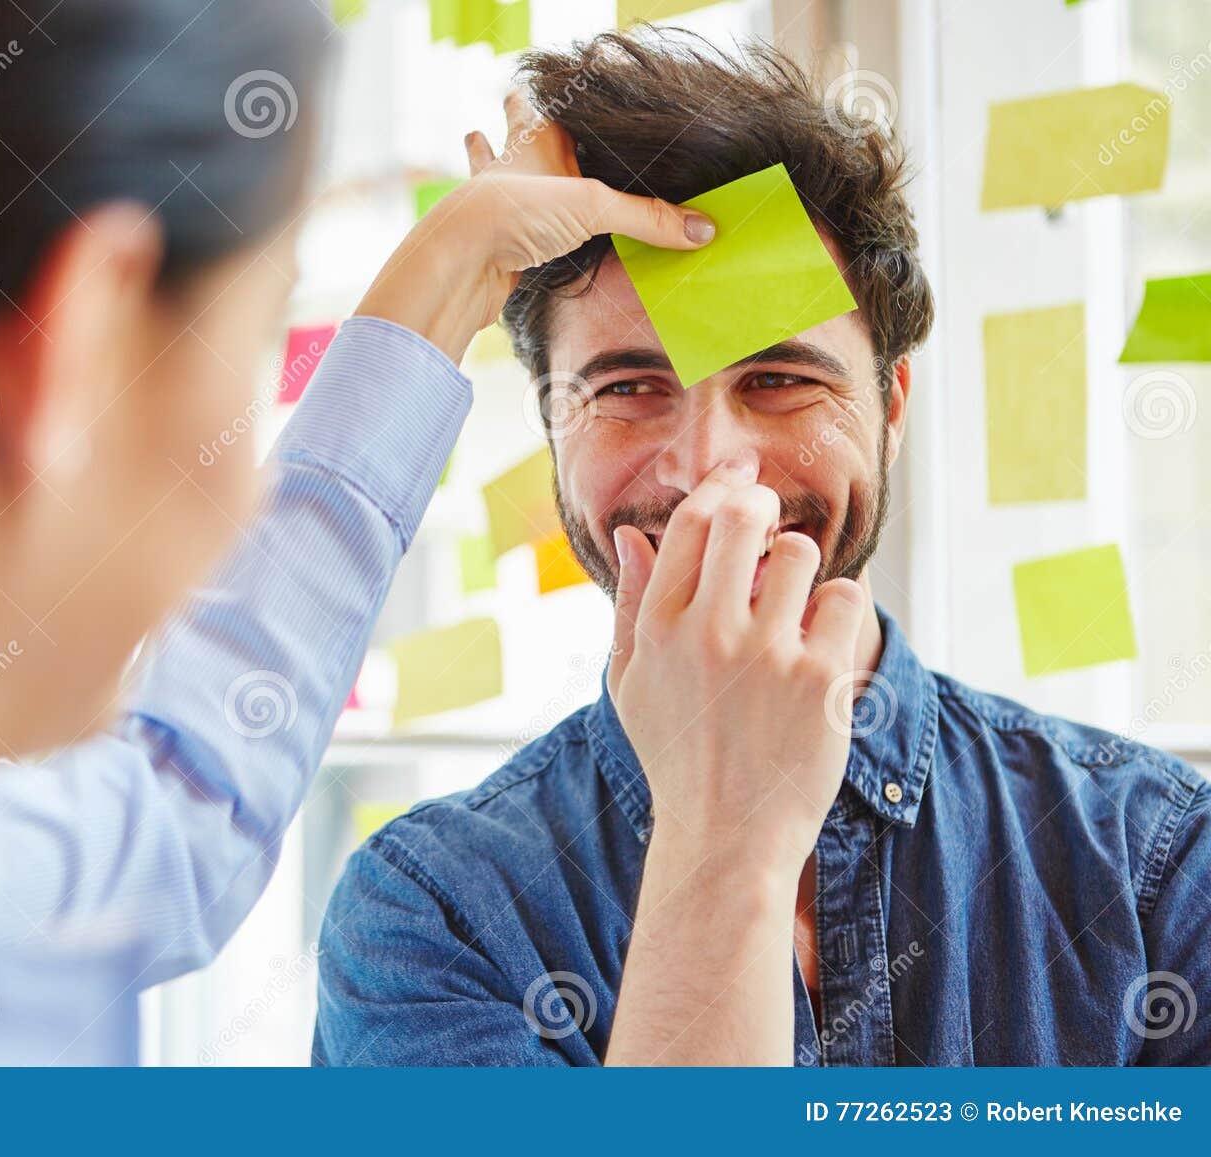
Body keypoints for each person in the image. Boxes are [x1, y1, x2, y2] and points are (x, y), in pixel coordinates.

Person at [0, 3, 716, 1063]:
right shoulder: (438, 903)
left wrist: (453, 269)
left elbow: (187, 796)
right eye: (250, 349)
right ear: (79, 349)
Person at [313, 30, 1211, 1067]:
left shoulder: (1159, 865)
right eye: (627, 387)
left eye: (779, 381)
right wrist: (724, 831)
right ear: (554, 427)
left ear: (890, 406)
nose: (711, 474)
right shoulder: (432, 915)